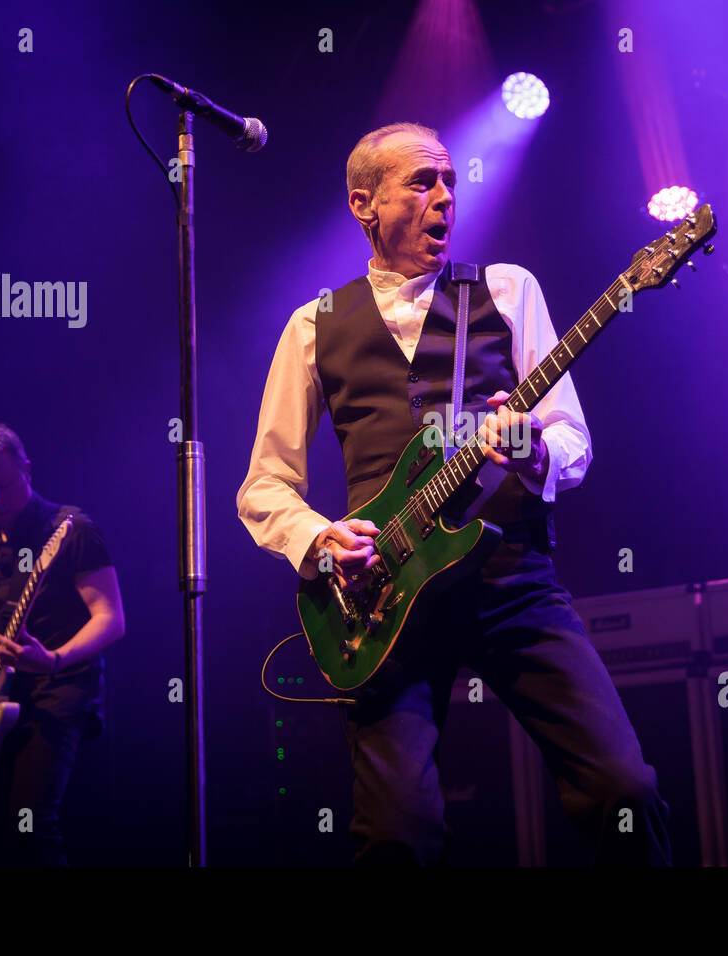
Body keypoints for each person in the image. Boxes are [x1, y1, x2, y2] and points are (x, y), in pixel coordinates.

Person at [237, 122, 671, 865]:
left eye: (450, 181)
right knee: (398, 836)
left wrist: (533, 448)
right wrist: (319, 538)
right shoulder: (313, 326)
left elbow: (572, 438)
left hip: (510, 582)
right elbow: (265, 484)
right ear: (363, 204)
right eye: (423, 181)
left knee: (623, 790)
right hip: (381, 605)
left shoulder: (506, 289)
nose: (446, 196)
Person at [0, 421, 125, 865]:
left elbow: (111, 619)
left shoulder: (71, 529)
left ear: (27, 469)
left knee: (32, 820)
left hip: (60, 690)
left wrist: (54, 659)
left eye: (2, 485)